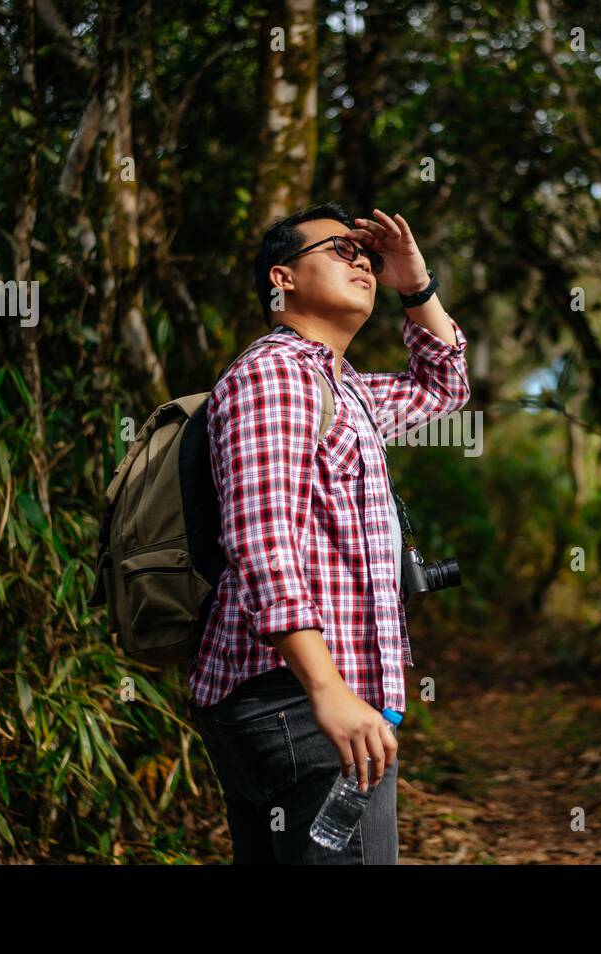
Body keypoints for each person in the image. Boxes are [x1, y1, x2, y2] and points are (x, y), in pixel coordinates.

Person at [187, 202, 470, 863]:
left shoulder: (341, 388)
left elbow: (443, 388)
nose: (360, 261)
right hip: (296, 698)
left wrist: (416, 284)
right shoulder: (276, 374)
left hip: (295, 699)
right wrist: (328, 691)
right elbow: (262, 540)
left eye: (363, 254)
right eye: (339, 251)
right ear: (282, 278)